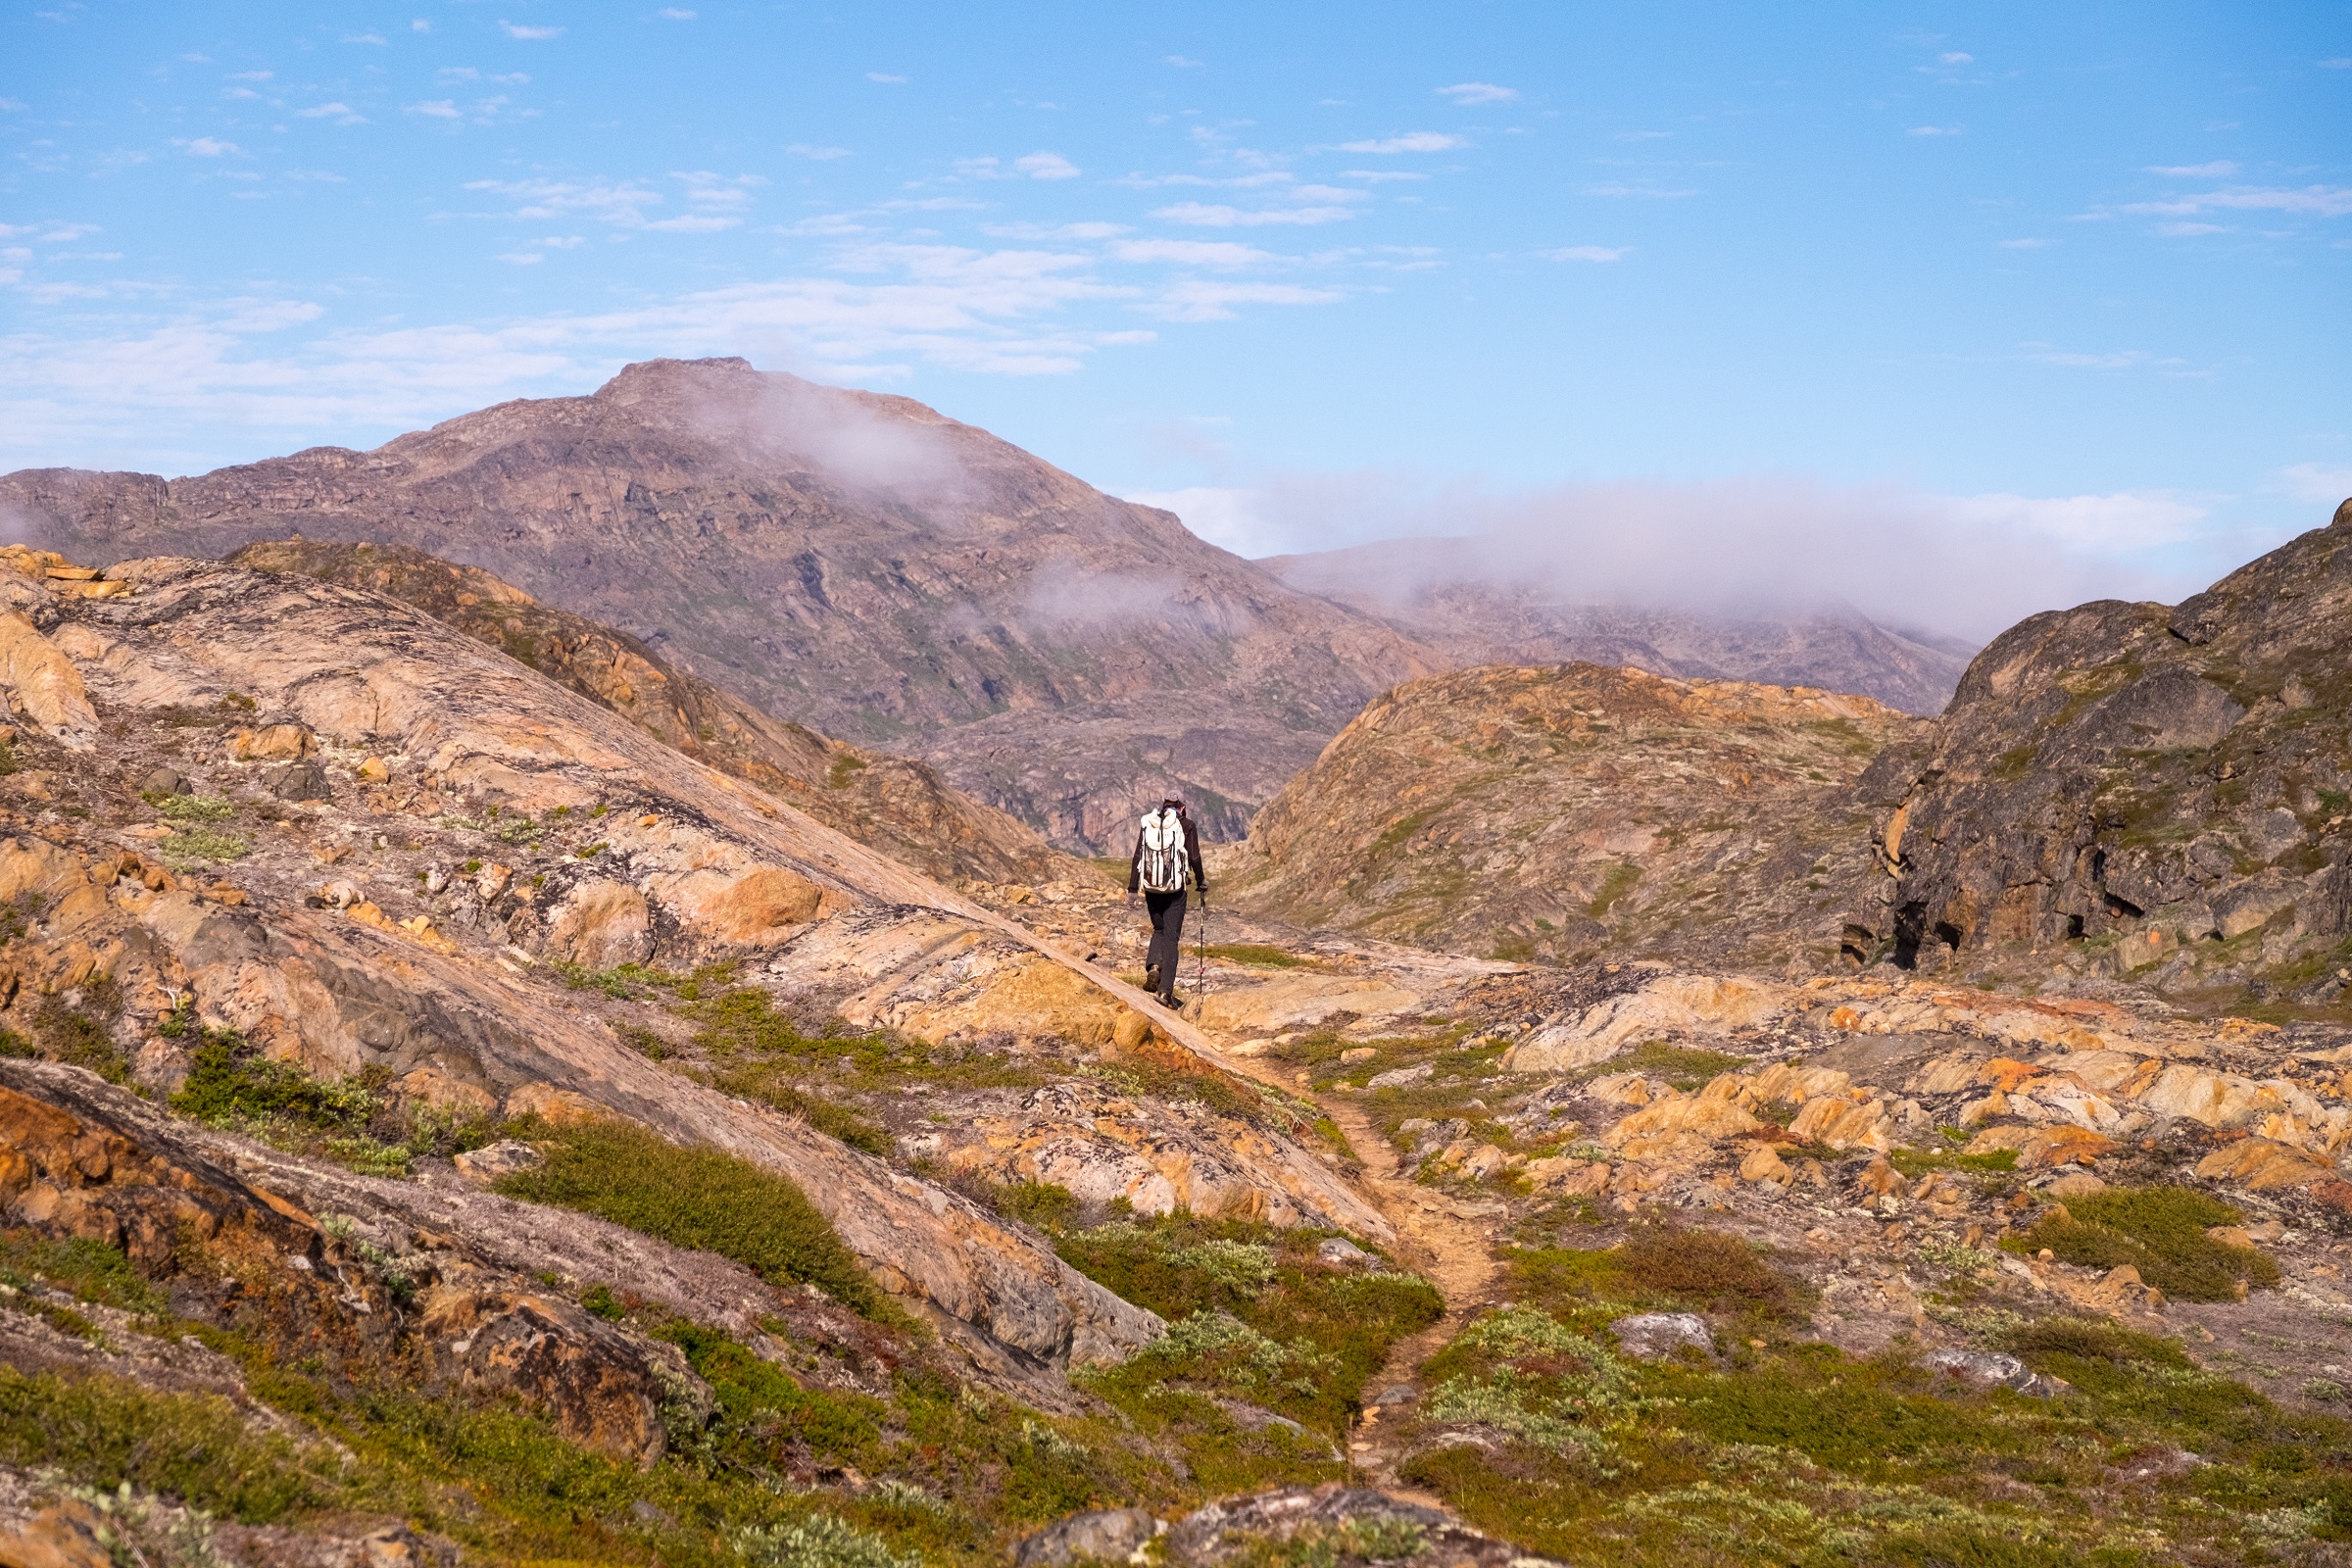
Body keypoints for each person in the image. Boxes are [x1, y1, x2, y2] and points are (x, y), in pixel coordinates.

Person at [1126, 795, 1207, 1009]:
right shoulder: (1187, 825)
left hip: (1152, 887)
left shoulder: (1149, 823)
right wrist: (1201, 882)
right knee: (1171, 939)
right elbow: (1195, 858)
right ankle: (1164, 991)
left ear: (1163, 805)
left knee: (1158, 930)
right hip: (1175, 890)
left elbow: (1137, 856)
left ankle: (1153, 966)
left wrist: (1133, 889)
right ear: (1183, 807)